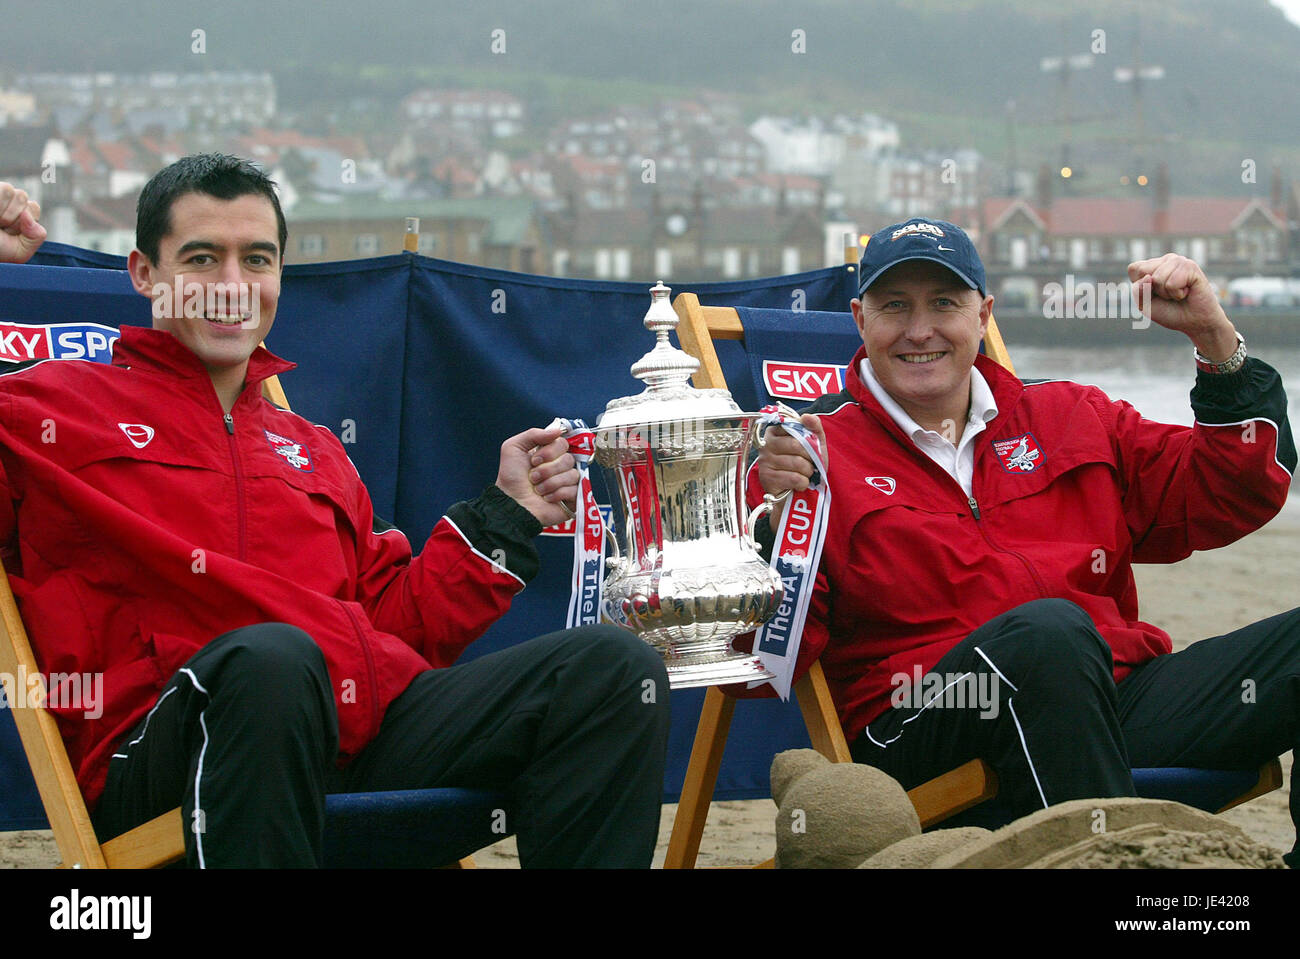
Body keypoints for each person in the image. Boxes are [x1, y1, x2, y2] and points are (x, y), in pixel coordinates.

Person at [0, 155, 670, 868]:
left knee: (609, 669)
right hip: (166, 751)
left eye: (256, 259)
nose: (232, 287)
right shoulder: (48, 410)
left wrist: (504, 516)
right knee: (272, 657)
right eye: (202, 258)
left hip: (347, 731)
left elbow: (394, 628)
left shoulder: (312, 448)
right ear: (144, 275)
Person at [753, 215, 1300, 865]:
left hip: (1102, 696)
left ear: (982, 314)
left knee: (1062, 642)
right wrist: (768, 528)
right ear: (859, 318)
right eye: (894, 305)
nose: (919, 328)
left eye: (944, 303)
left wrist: (1214, 337)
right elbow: (759, 667)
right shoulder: (809, 457)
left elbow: (1233, 491)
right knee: (1047, 636)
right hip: (922, 721)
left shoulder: (1071, 416)